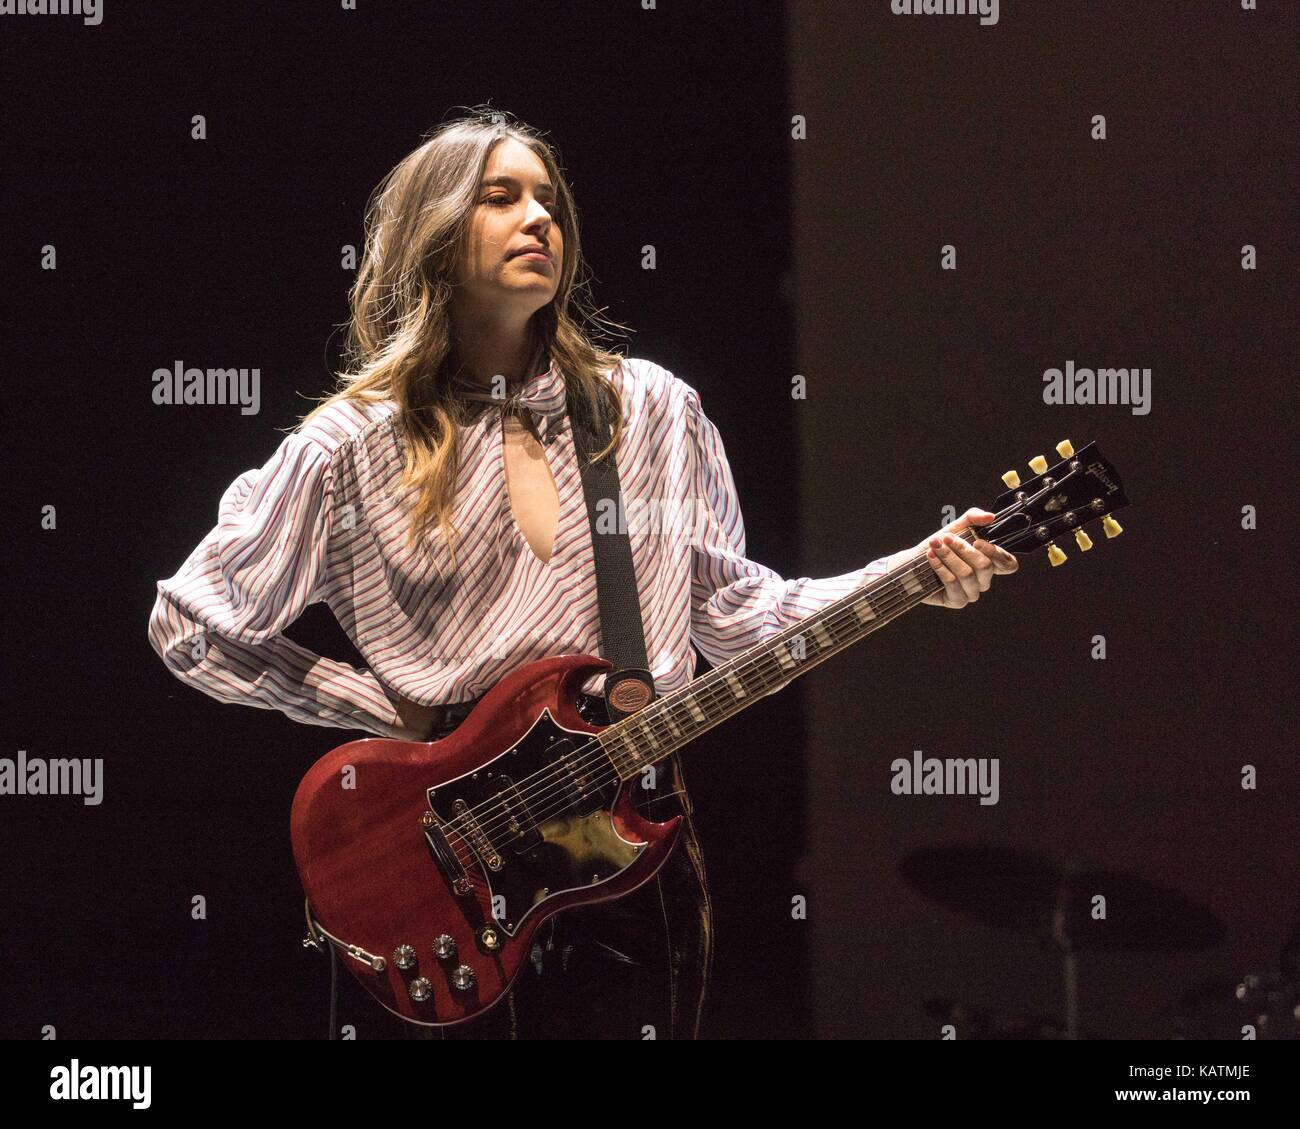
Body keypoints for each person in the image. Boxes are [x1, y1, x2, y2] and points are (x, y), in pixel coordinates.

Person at [147, 107, 1018, 1041]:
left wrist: (913, 572)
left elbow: (735, 614)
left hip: (631, 859)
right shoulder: (350, 446)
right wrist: (373, 707)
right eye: (502, 197)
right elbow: (191, 624)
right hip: (433, 877)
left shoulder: (650, 411)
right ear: (433, 236)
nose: (540, 220)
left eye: (551, 201)